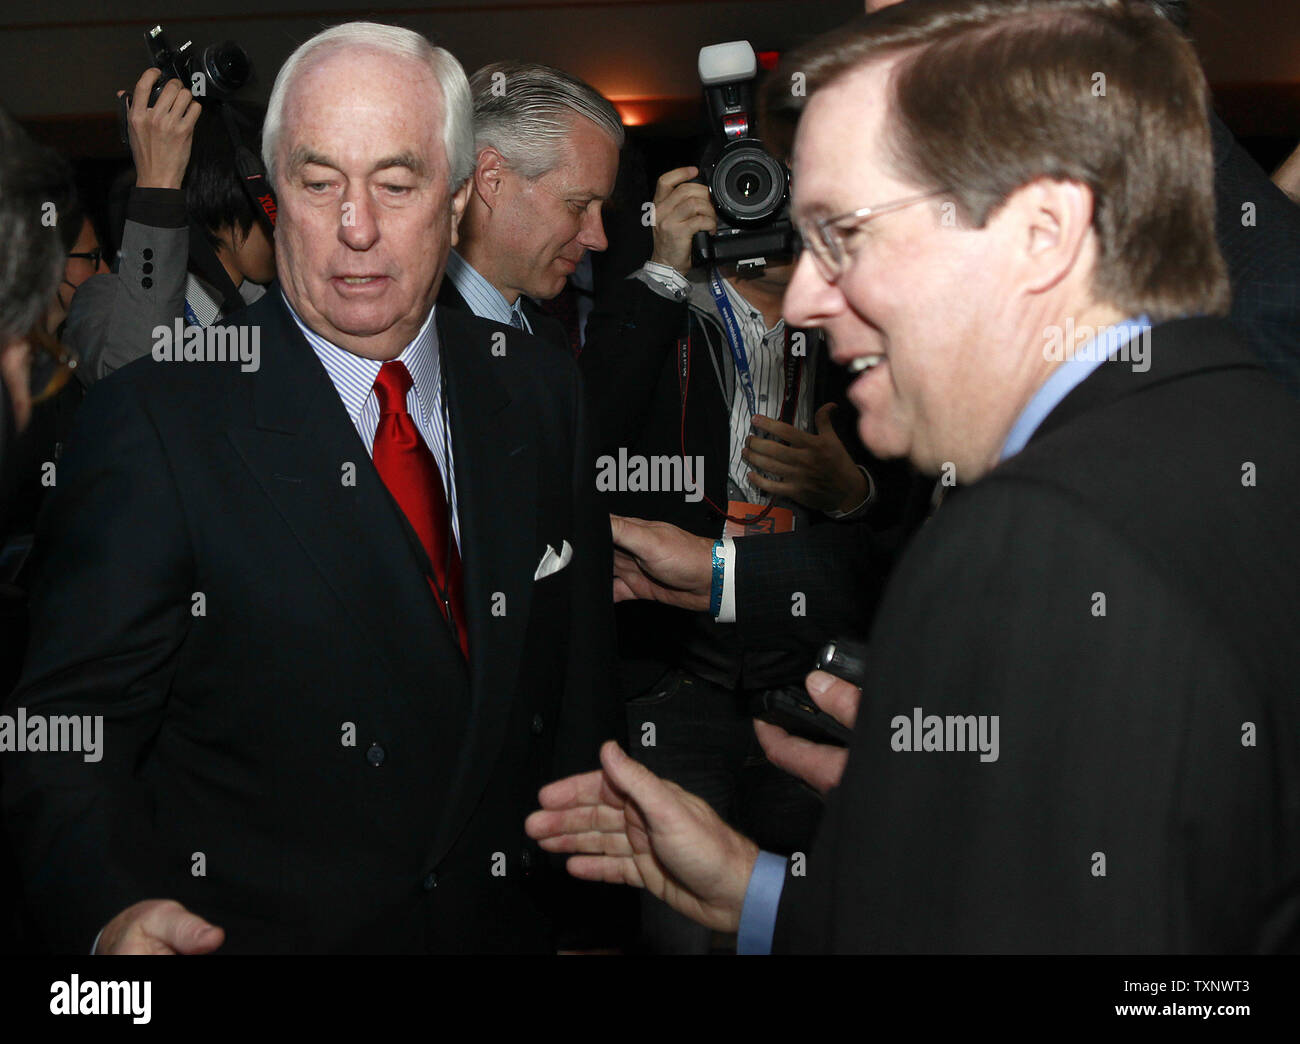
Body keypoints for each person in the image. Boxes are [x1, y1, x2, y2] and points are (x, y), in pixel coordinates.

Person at [528, 0, 1300, 953]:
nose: (807, 297)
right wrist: (775, 890)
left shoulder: (1040, 531)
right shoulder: (1244, 426)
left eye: (847, 235)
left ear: (1042, 232)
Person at [4, 21, 618, 954]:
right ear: (273, 195)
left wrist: (588, 914)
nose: (355, 226)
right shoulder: (159, 422)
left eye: (397, 184)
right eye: (319, 180)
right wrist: (111, 909)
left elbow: (574, 690)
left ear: (458, 202)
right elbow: (62, 733)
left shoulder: (538, 390)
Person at [63, 69, 275, 384]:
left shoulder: (269, 312)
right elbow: (134, 383)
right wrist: (158, 187)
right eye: (272, 205)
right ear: (220, 206)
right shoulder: (105, 300)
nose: (284, 226)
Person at [438, 60, 621, 349]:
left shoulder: (548, 339)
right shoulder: (406, 335)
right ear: (492, 178)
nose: (598, 240)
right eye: (578, 204)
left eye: (601, 209)